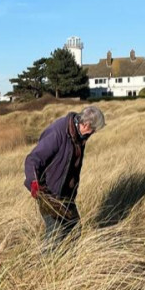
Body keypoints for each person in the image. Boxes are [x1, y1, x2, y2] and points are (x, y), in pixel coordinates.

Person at [23, 105, 106, 248]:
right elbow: (33, 159)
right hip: (49, 194)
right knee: (55, 235)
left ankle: (69, 259)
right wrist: (34, 183)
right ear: (86, 125)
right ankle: (47, 261)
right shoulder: (58, 133)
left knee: (74, 229)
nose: (94, 133)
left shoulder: (79, 135)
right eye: (93, 130)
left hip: (66, 195)